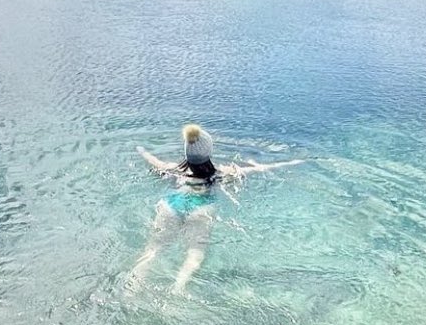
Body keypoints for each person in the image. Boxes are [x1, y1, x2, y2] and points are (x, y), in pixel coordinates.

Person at [128, 124, 302, 293]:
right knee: (194, 253)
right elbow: (259, 169)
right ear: (209, 151)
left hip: (173, 204)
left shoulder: (174, 169)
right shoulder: (220, 173)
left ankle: (132, 287)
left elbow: (153, 161)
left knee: (153, 250)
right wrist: (291, 162)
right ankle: (177, 288)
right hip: (200, 208)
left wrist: (140, 149)